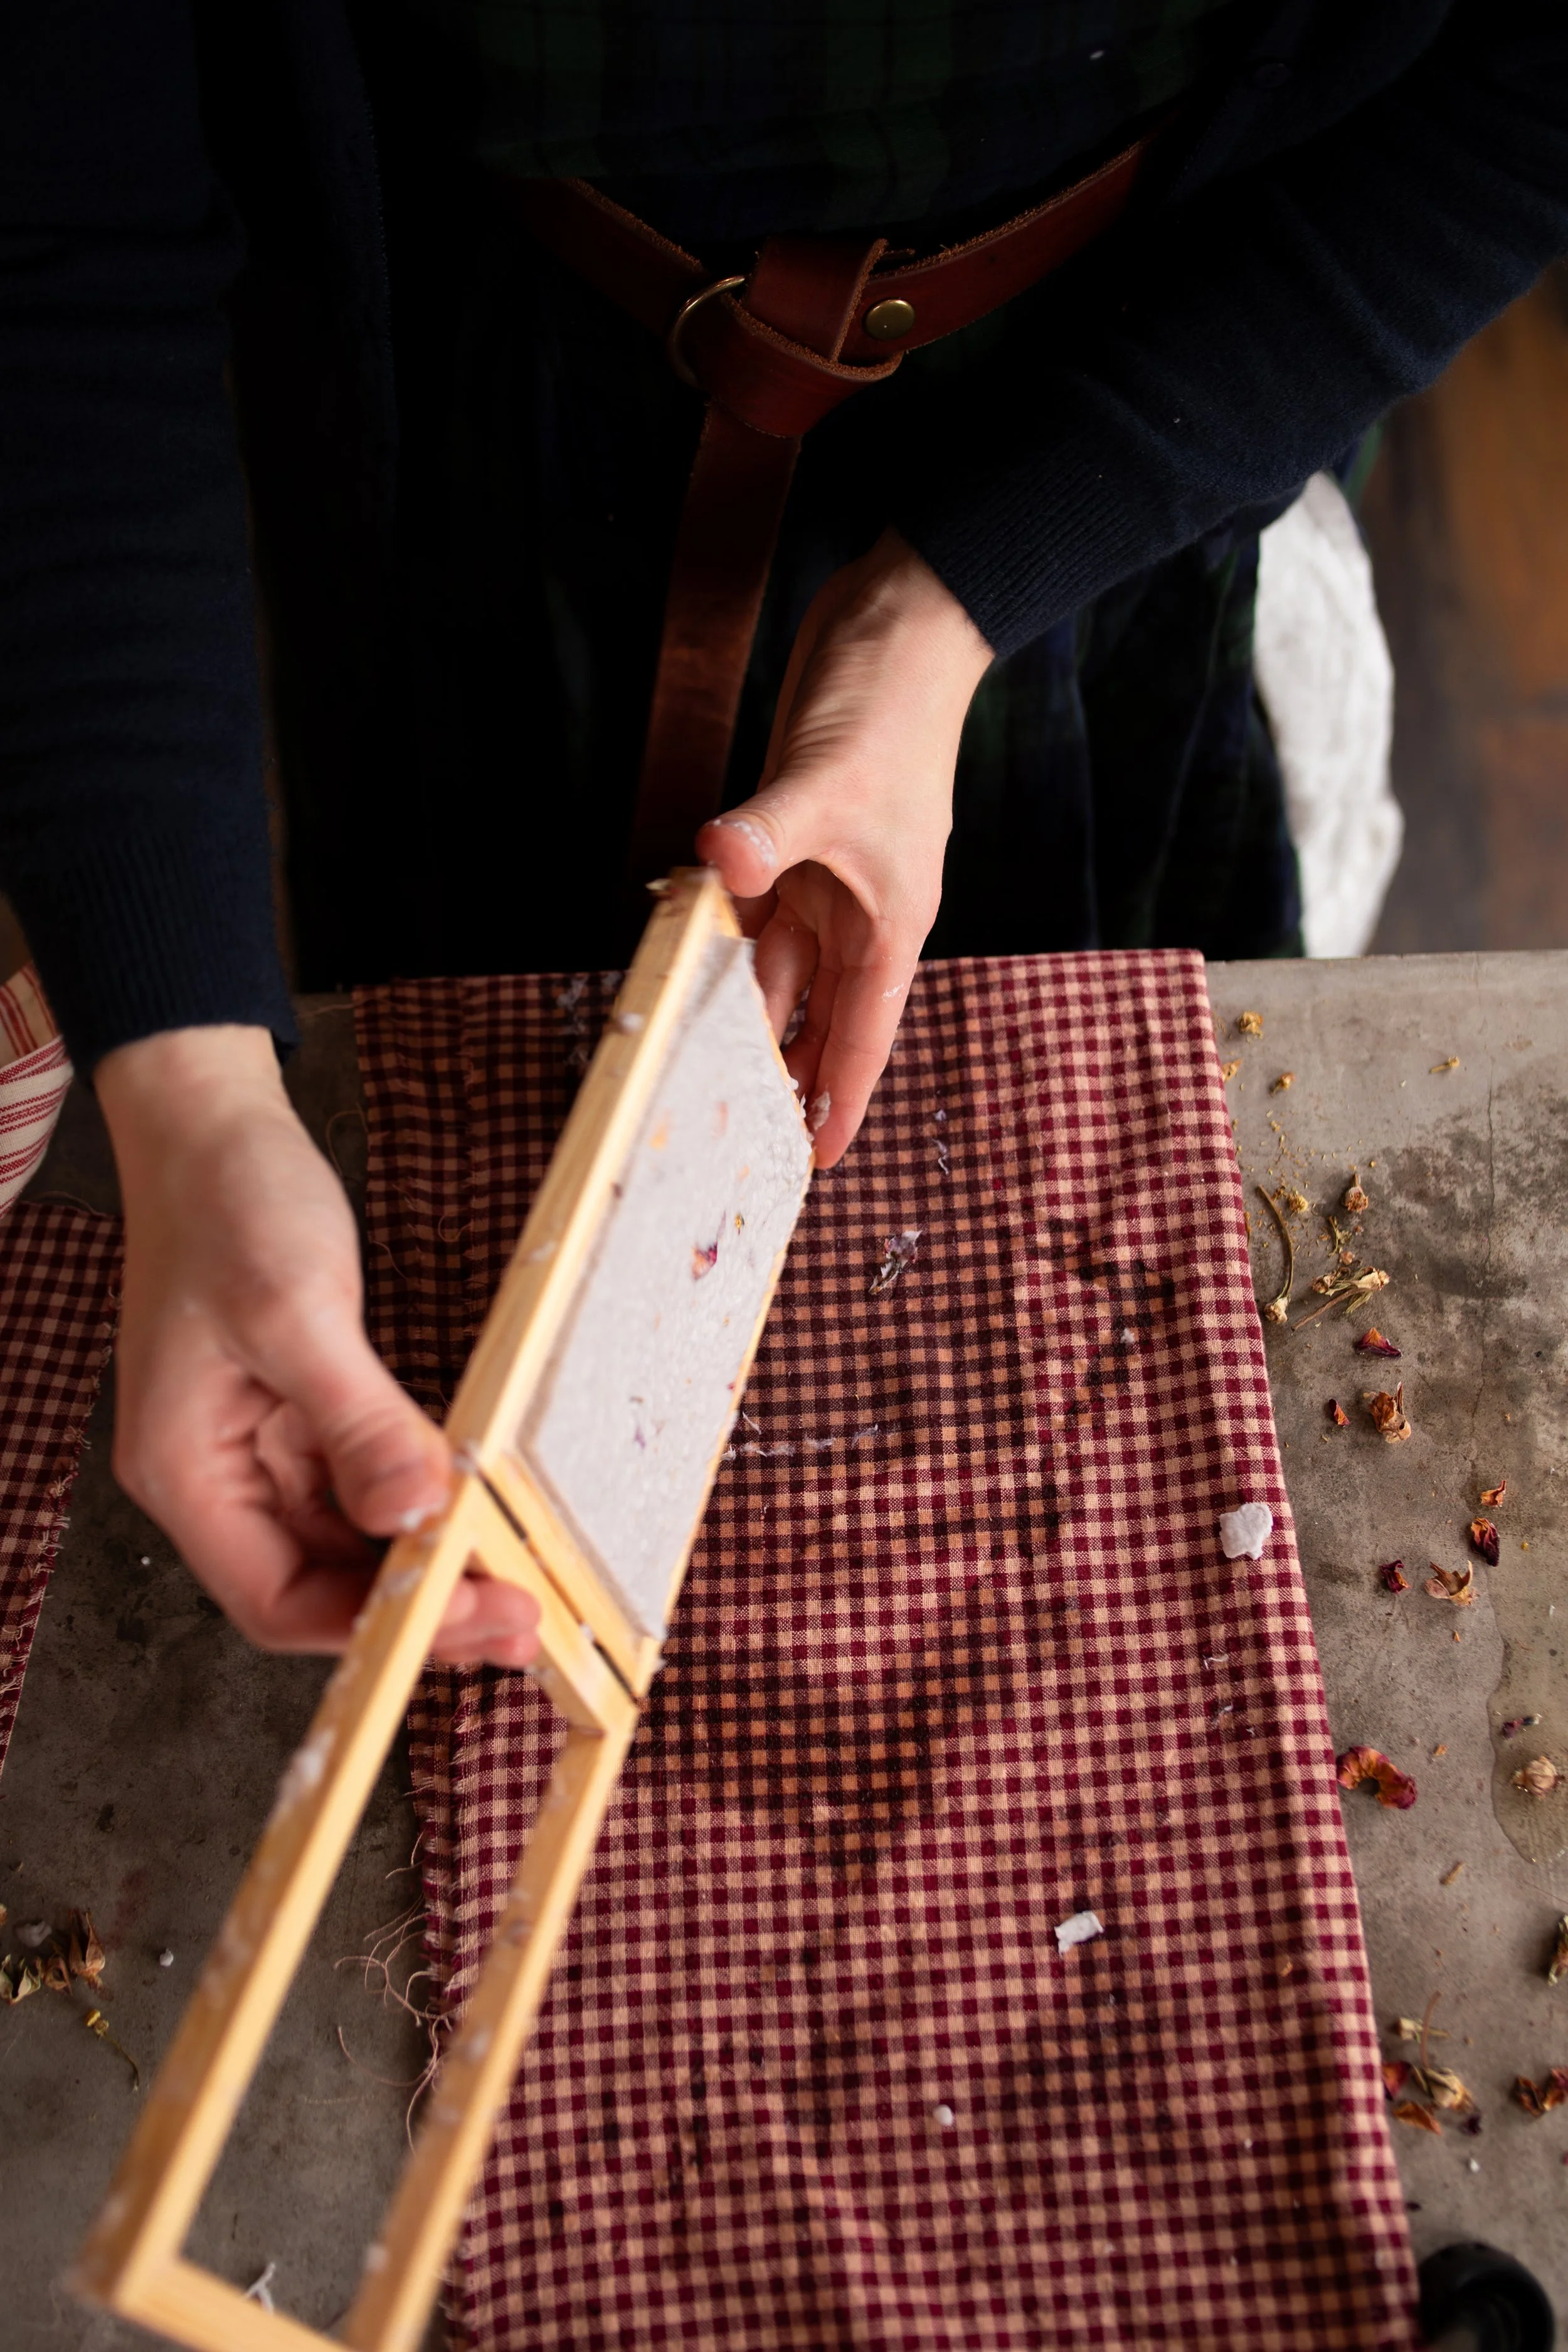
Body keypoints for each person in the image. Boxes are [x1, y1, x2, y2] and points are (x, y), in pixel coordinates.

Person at [3, 1, 1565, 1667]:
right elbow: (52, 212)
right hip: (452, 392)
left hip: (1102, 404)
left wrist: (954, 605)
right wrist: (197, 1112)